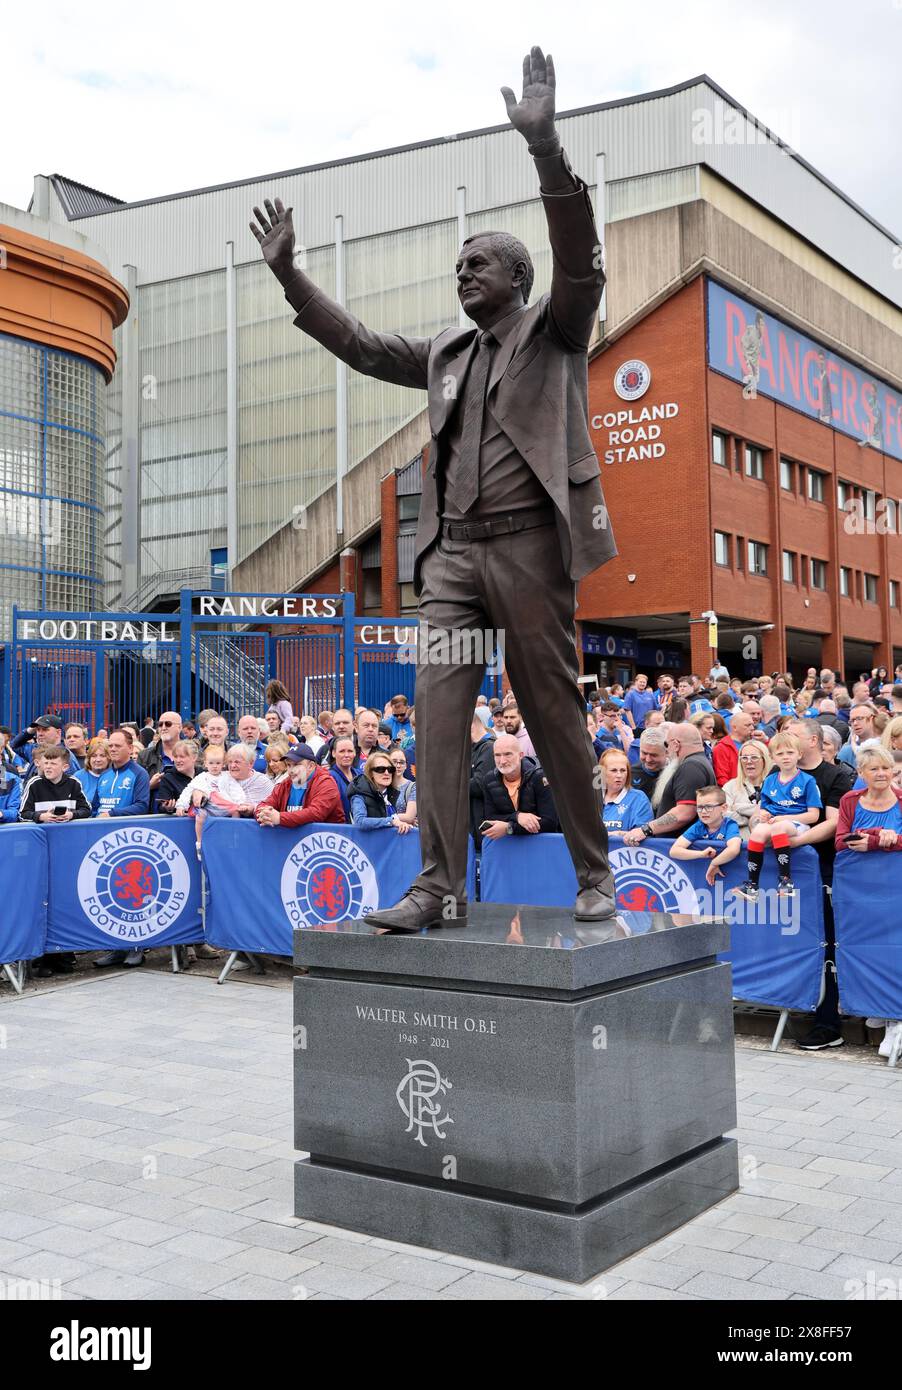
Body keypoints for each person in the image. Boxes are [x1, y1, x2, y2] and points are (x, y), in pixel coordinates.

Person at [250, 46, 615, 930]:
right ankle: (438, 885)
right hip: (455, 562)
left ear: (517, 281)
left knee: (550, 706)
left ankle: (595, 872)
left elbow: (582, 260)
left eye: (478, 264)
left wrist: (544, 149)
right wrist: (291, 276)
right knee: (440, 714)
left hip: (529, 549)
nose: (463, 276)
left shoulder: (555, 329)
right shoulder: (447, 356)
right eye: (459, 267)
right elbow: (366, 346)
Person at [835, 746, 902, 1059]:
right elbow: (840, 841)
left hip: (895, 891)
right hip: (860, 892)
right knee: (866, 948)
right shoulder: (850, 800)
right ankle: (878, 1007)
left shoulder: (901, 799)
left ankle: (895, 1019)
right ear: (861, 773)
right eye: (874, 769)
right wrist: (878, 835)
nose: (882, 775)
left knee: (894, 950)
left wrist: (879, 842)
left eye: (886, 769)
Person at [733, 732, 822, 901]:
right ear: (772, 757)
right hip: (775, 823)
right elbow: (763, 809)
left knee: (778, 827)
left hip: (798, 824)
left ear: (799, 754)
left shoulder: (807, 780)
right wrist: (764, 814)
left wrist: (783, 818)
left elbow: (814, 816)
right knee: (758, 831)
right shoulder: (770, 780)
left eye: (790, 752)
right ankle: (752, 885)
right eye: (780, 754)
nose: (785, 757)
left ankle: (786, 881)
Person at [622, 724, 715, 844]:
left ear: (676, 745)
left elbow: (684, 812)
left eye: (667, 744)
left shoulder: (691, 766)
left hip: (679, 847)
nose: (667, 750)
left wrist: (646, 829)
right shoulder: (698, 762)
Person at [472, 734, 558, 844]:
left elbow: (550, 823)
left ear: (521, 755)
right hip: (508, 847)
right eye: (497, 755)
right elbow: (491, 817)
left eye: (508, 754)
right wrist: (517, 816)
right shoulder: (489, 779)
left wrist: (509, 828)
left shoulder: (539, 777)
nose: (502, 761)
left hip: (541, 846)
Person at [255, 744, 346, 828]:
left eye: (296, 765)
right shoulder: (286, 783)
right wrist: (263, 814)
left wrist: (280, 818)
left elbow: (316, 813)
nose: (291, 770)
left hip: (325, 841)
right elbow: (264, 804)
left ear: (311, 766)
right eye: (289, 765)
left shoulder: (326, 783)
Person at [669, 785, 742, 886]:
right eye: (700, 807)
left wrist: (714, 863)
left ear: (724, 808)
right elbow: (674, 851)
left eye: (709, 807)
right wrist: (701, 854)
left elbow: (734, 849)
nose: (703, 811)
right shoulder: (698, 826)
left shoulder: (730, 825)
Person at [19, 746, 91, 822]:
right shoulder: (34, 783)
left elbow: (87, 810)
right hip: (43, 832)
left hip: (68, 831)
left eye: (53, 764)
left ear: (65, 767)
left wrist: (71, 815)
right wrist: (41, 817)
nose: (48, 767)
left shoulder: (74, 783)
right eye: (46, 763)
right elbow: (22, 814)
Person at [348, 751, 412, 832]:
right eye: (380, 769)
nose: (386, 773)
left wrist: (403, 825)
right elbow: (360, 822)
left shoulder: (390, 794)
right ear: (370, 773)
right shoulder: (359, 794)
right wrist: (391, 821)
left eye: (390, 769)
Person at [93, 730, 151, 818]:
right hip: (101, 828)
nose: (112, 749)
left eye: (117, 746)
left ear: (130, 748)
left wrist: (111, 814)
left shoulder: (140, 774)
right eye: (110, 746)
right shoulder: (104, 775)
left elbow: (141, 807)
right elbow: (95, 808)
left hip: (123, 829)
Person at [723, 740, 773, 840]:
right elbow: (723, 815)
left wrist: (738, 808)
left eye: (754, 757)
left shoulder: (775, 784)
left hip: (769, 842)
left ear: (764, 760)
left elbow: (775, 813)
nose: (749, 761)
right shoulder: (730, 786)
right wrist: (749, 819)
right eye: (744, 758)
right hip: (739, 843)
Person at [598, 748, 653, 834]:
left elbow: (643, 836)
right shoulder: (592, 798)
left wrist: (618, 834)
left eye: (623, 770)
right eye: (614, 770)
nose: (619, 775)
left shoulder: (638, 799)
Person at [139, 712, 183, 797]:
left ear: (180, 727)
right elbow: (135, 791)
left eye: (168, 724)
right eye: (160, 724)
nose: (163, 728)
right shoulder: (144, 755)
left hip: (183, 808)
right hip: (152, 809)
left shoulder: (193, 753)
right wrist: (150, 785)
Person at [221, 745, 273, 812]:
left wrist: (254, 808)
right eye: (230, 762)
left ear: (251, 763)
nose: (232, 766)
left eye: (237, 762)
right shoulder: (223, 778)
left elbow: (273, 807)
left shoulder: (263, 782)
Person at [155, 739, 200, 813]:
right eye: (175, 757)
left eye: (182, 757)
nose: (178, 760)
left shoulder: (204, 774)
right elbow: (161, 807)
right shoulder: (168, 778)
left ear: (194, 757)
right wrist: (168, 808)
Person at [712, 708, 755, 786]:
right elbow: (722, 778)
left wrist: (766, 741)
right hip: (735, 793)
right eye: (748, 725)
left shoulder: (755, 744)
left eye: (752, 724)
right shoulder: (721, 748)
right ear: (734, 727)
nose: (752, 728)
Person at [631, 726, 669, 799]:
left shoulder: (675, 773)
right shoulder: (632, 773)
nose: (648, 759)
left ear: (667, 752)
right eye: (644, 753)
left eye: (654, 755)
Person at [838, 703, 879, 769]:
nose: (855, 723)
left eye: (859, 718)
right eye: (852, 720)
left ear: (872, 718)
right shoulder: (847, 751)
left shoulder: (886, 744)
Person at [326, 736, 358, 821]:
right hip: (340, 829)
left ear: (355, 753)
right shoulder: (329, 777)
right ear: (333, 753)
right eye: (342, 751)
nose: (346, 755)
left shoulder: (361, 775)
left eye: (350, 751)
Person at [74, 738, 112, 806]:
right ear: (89, 758)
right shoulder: (78, 777)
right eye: (94, 756)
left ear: (109, 758)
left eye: (102, 756)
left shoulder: (115, 775)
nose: (98, 760)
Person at [389, 747, 418, 823]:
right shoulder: (382, 784)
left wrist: (384, 817)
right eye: (394, 762)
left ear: (405, 766)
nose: (398, 766)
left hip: (404, 832)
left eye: (401, 762)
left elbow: (409, 817)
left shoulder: (412, 787)